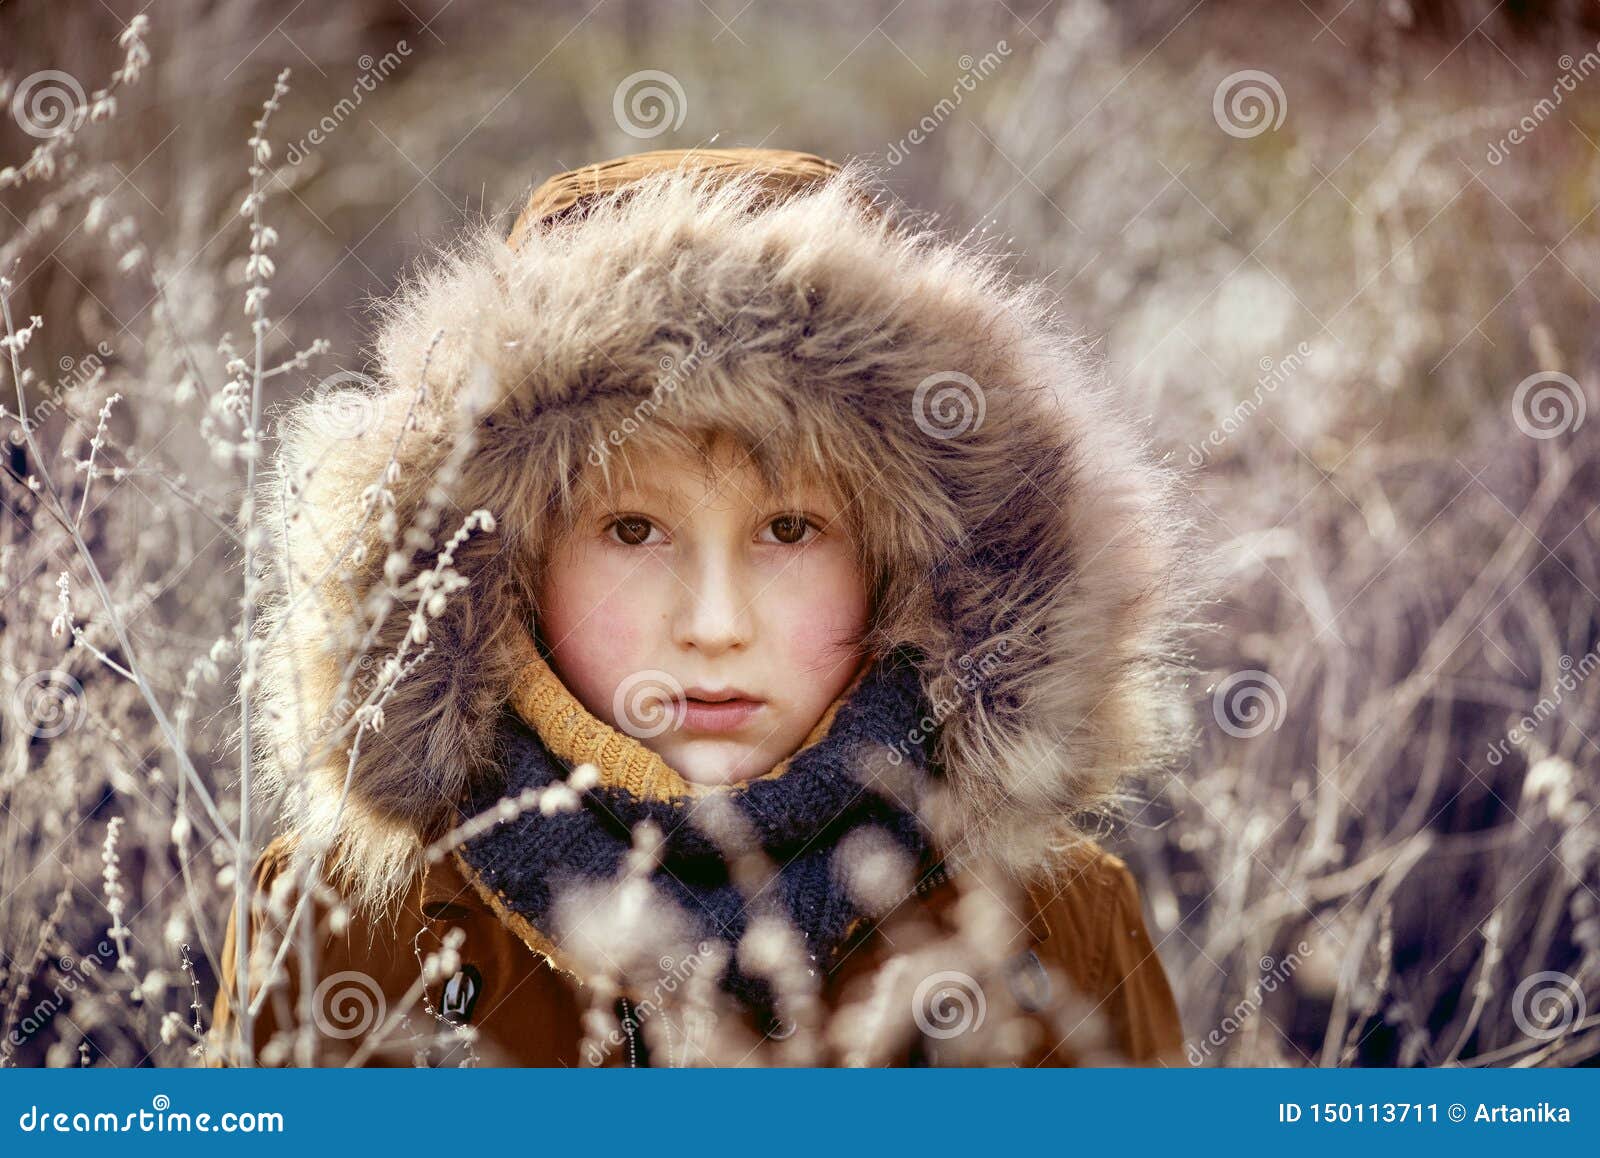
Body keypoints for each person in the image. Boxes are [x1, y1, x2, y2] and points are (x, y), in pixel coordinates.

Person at [210, 147, 1190, 1067]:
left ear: (908, 574)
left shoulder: (1061, 926)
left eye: (791, 532)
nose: (714, 625)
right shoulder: (333, 924)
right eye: (632, 531)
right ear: (497, 573)